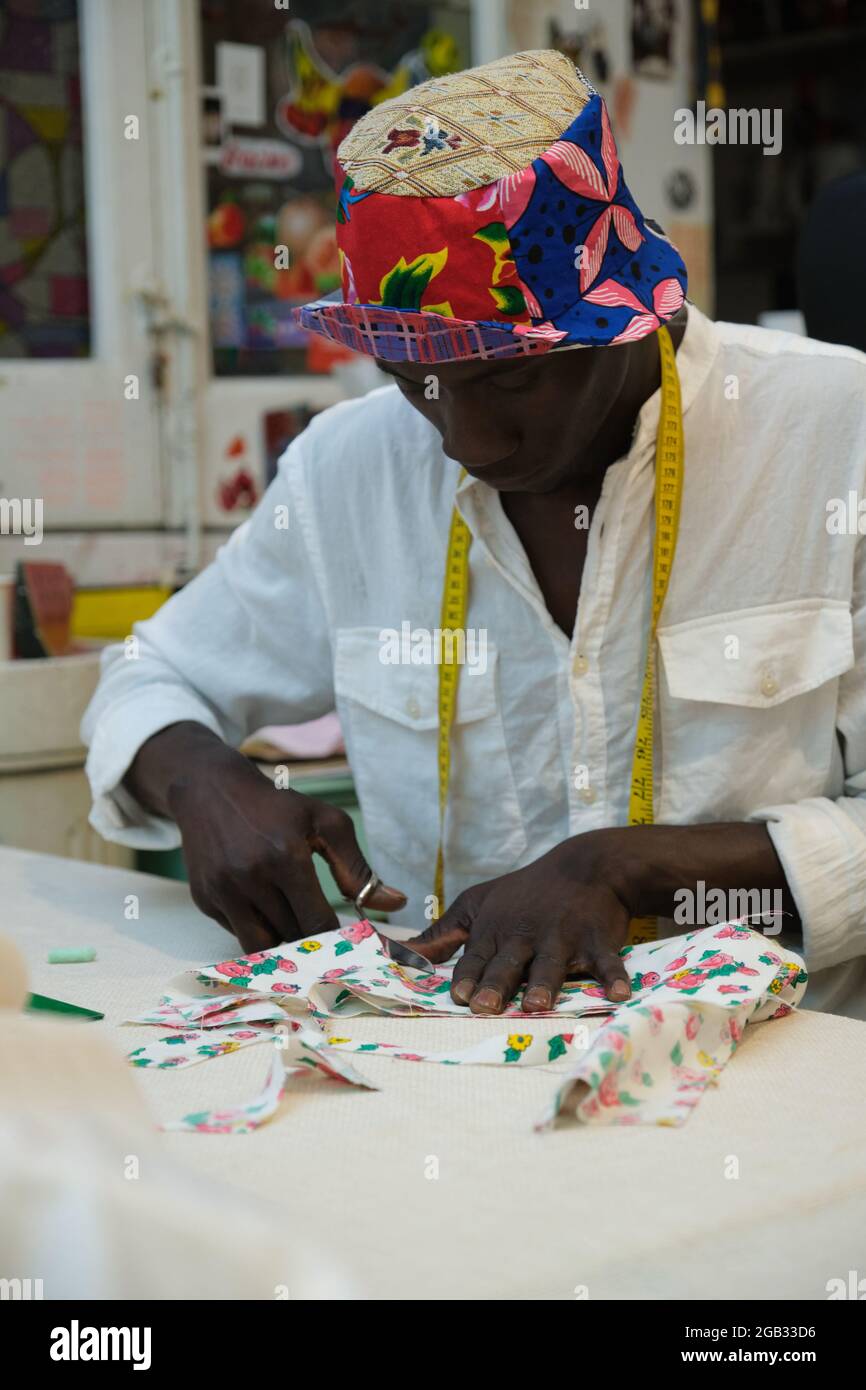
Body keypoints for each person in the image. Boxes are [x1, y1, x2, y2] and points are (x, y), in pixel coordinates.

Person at [82, 50, 866, 1018]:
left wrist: (627, 868)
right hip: (449, 1088)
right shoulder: (348, 471)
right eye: (413, 381)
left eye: (504, 378)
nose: (462, 437)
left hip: (785, 1086)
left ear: (621, 317)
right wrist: (202, 780)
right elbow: (148, 674)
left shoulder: (837, 432)